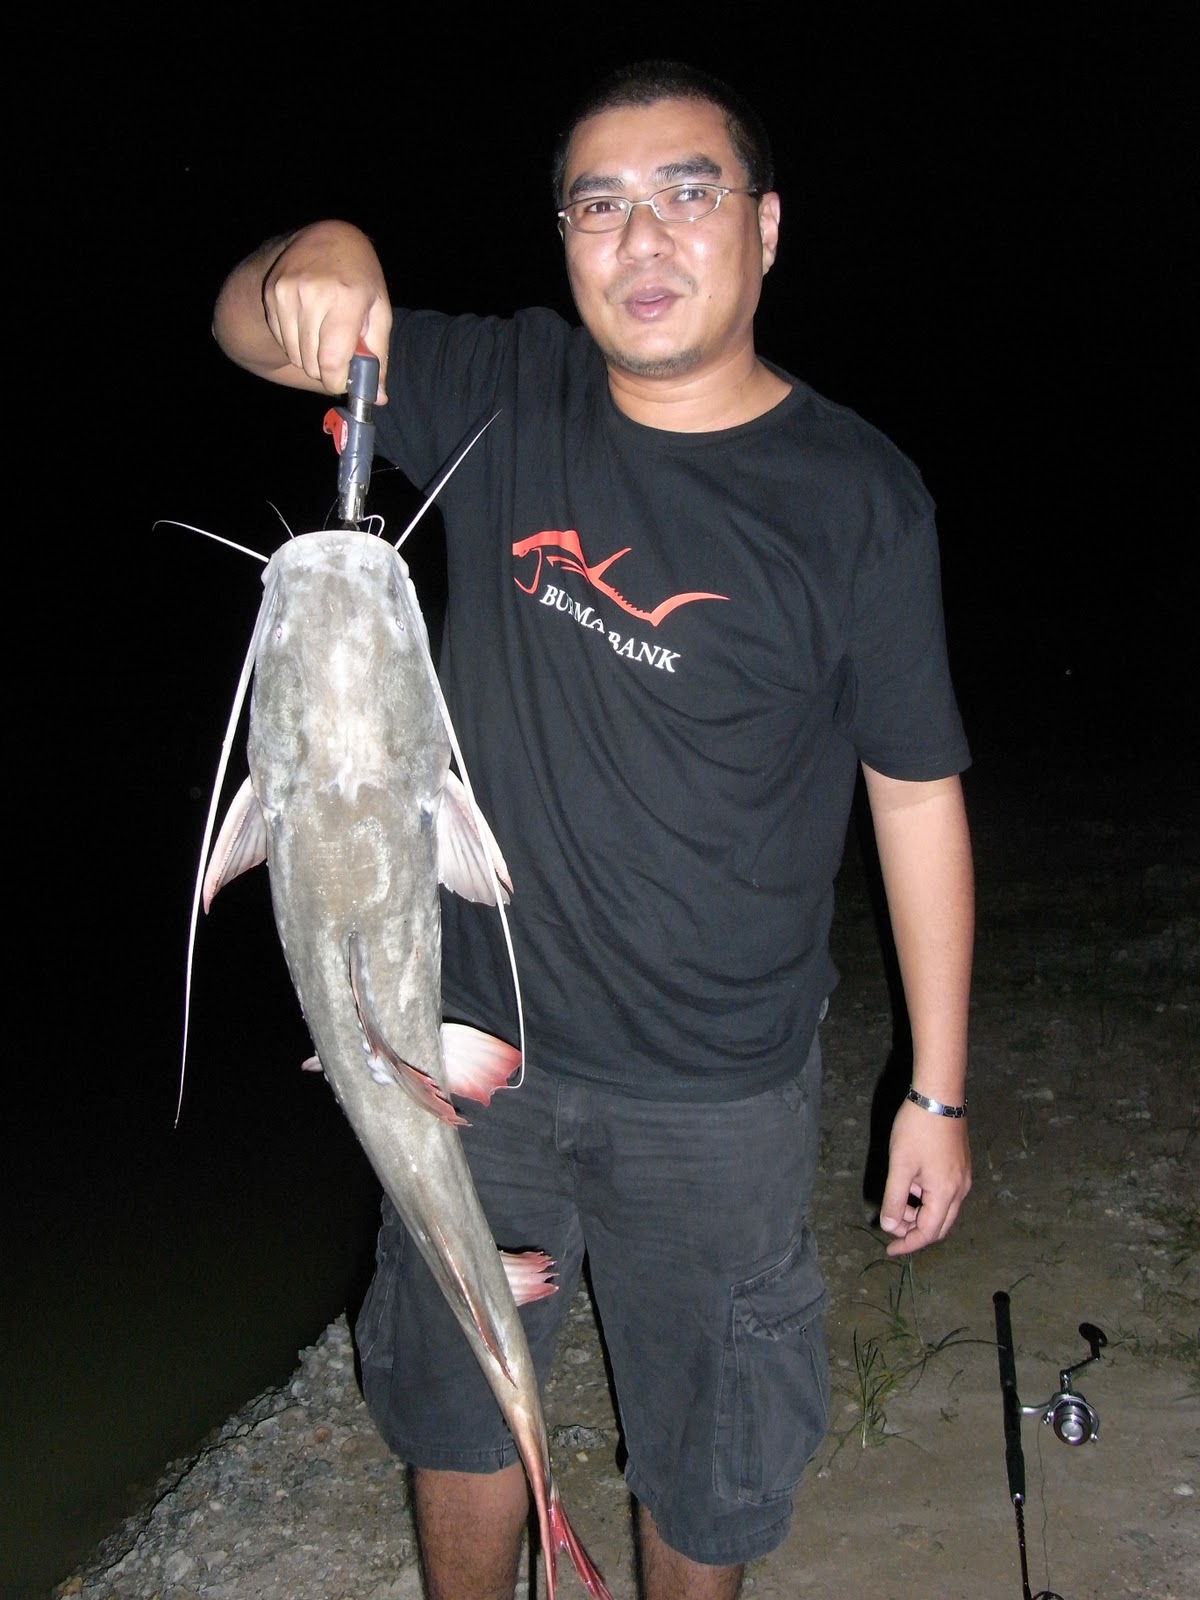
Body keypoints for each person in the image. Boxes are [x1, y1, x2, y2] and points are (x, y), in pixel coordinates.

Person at [213, 59, 974, 1600]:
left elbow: (917, 794)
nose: (642, 239)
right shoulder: (512, 395)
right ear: (563, 243)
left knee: (713, 1449)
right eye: (599, 205)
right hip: (470, 1055)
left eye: (686, 194)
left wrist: (938, 1093)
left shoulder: (857, 497)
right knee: (452, 1409)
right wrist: (320, 256)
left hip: (721, 1091)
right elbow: (246, 327)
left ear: (765, 228)